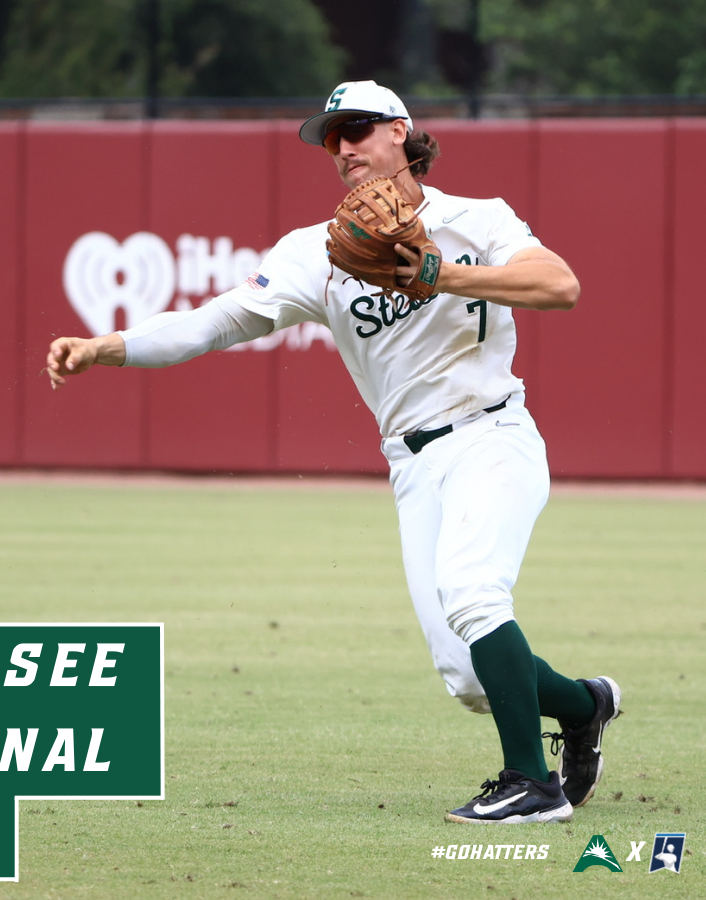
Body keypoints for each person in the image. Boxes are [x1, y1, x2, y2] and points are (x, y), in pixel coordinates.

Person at [45, 81, 620, 825]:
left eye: (357, 129)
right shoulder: (315, 254)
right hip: (413, 465)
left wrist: (441, 274)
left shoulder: (474, 219)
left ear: (401, 133)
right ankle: (584, 706)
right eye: (330, 136)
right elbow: (210, 323)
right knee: (468, 677)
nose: (342, 147)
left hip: (491, 435)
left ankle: (530, 784)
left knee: (476, 594)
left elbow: (560, 285)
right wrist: (107, 346)